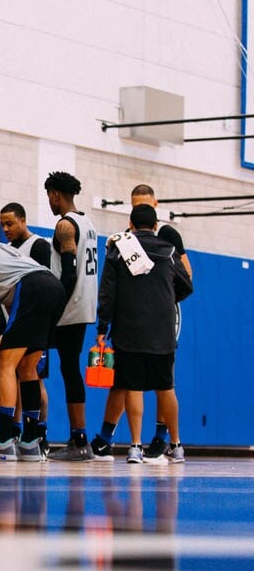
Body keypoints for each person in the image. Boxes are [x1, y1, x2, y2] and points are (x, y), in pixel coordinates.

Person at [89, 184, 194, 461]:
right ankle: (175, 444)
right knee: (163, 386)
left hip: (131, 325)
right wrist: (166, 298)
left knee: (134, 386)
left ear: (132, 222)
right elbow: (187, 283)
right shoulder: (166, 248)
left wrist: (103, 326)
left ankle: (139, 444)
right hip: (162, 325)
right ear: (155, 222)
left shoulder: (119, 247)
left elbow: (107, 291)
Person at [0, 239, 66, 461]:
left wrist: (3, 329)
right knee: (27, 368)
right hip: (54, 288)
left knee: (5, 364)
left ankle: (4, 440)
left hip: (32, 288)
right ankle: (30, 443)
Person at [44, 171, 99, 462]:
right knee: (70, 370)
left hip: (69, 307)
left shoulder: (65, 225)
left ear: (55, 194)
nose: (49, 202)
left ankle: (76, 440)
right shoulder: (89, 223)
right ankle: (79, 438)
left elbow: (68, 274)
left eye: (49, 196)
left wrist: (53, 307)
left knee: (48, 366)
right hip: (85, 306)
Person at [0, 201, 52, 452]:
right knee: (13, 374)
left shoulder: (39, 246)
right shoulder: (6, 250)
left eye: (10, 223)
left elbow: (43, 285)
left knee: (33, 376)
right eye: (2, 225)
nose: (6, 229)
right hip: (12, 320)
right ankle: (15, 430)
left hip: (34, 319)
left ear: (23, 220)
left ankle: (40, 433)